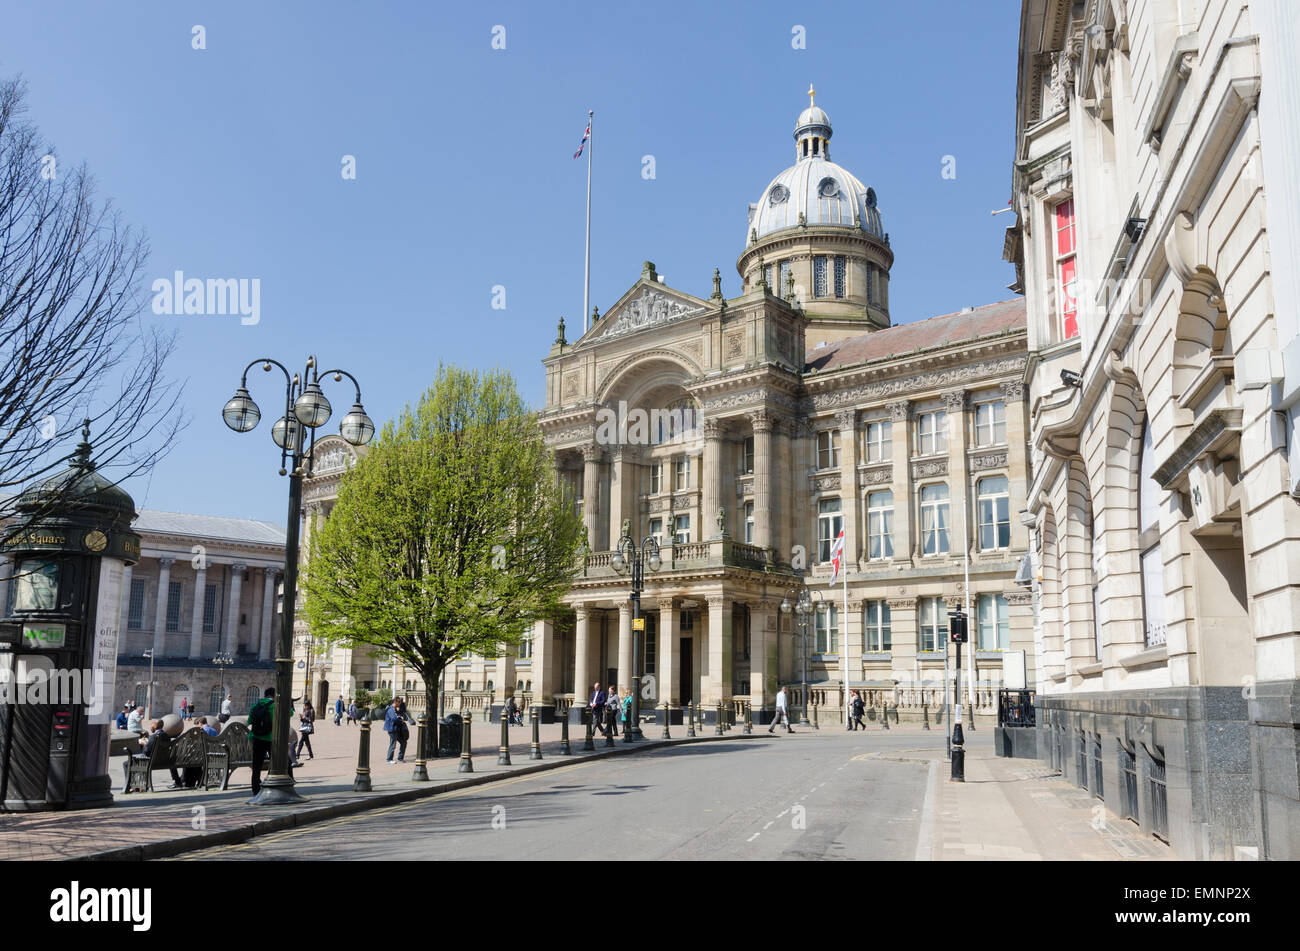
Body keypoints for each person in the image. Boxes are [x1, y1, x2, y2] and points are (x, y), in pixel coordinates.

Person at [248, 687, 280, 796]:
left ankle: (255, 789)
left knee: (256, 765)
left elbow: (249, 721)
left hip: (257, 738)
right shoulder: (275, 706)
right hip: (271, 738)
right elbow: (289, 713)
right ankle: (275, 784)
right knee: (276, 763)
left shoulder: (255, 706)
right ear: (274, 696)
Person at [136, 719, 184, 789]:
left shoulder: (153, 737)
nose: (150, 727)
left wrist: (144, 744)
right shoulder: (167, 736)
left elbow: (146, 751)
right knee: (171, 761)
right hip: (165, 761)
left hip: (152, 762)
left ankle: (138, 785)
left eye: (151, 725)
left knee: (128, 763)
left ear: (155, 726)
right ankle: (178, 782)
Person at [384, 696, 409, 763]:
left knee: (404, 742)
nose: (400, 703)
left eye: (400, 702)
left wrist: (400, 717)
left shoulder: (395, 709)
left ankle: (400, 757)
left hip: (397, 729)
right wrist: (401, 720)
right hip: (392, 729)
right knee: (393, 744)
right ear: (395, 702)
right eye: (399, 702)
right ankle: (389, 759)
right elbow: (394, 719)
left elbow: (398, 716)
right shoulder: (391, 709)